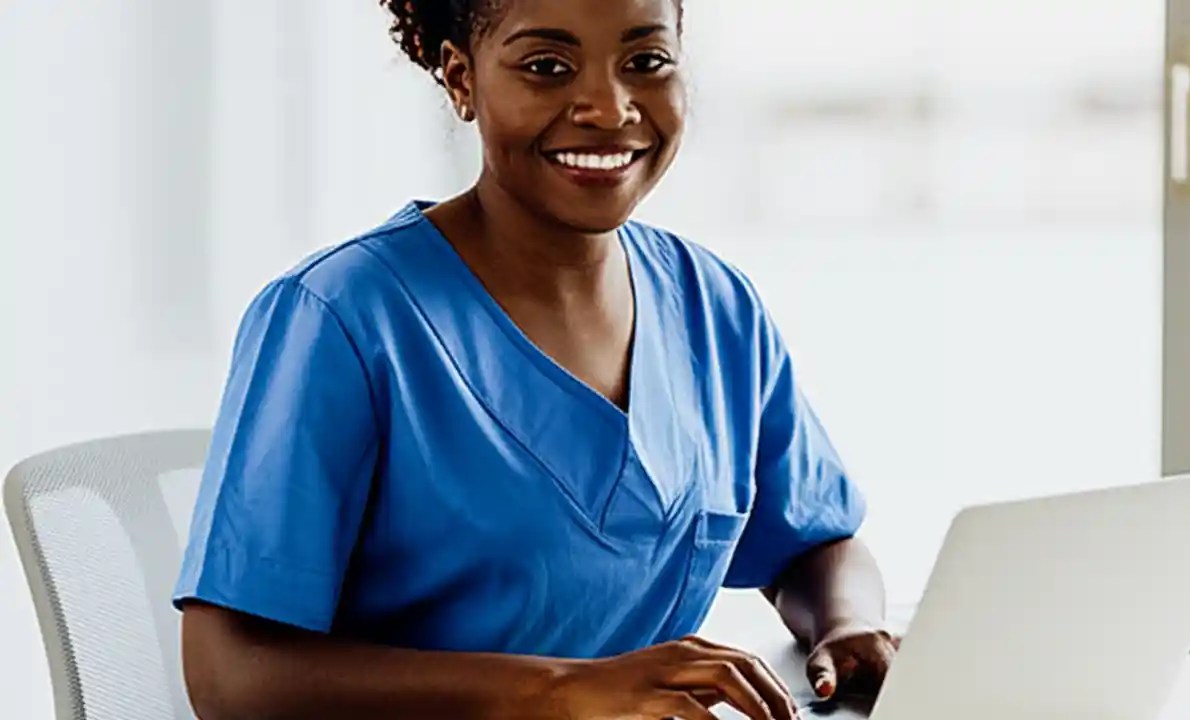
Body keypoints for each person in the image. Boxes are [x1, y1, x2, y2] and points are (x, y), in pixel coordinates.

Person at [173, 1, 897, 718]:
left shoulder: (715, 308)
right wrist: (559, 690)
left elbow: (814, 542)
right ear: (462, 79)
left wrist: (846, 623)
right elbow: (229, 678)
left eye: (646, 61)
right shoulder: (341, 317)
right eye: (548, 67)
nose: (609, 109)